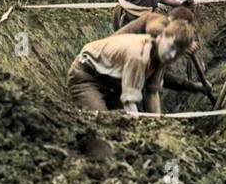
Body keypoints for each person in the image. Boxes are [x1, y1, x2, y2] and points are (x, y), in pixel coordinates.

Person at [67, 13, 199, 115]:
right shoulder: (138, 55)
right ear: (160, 37)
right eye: (171, 47)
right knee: (103, 123)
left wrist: (158, 127)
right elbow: (130, 102)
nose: (171, 55)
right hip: (86, 76)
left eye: (177, 53)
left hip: (112, 84)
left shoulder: (162, 58)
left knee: (121, 123)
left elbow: (152, 93)